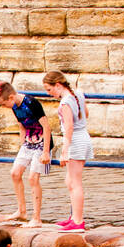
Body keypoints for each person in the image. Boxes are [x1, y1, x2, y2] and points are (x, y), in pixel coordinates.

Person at [0, 81, 53, 227]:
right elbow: (22, 126)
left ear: (11, 97)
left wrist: (45, 152)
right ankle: (21, 210)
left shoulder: (32, 103)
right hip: (28, 143)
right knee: (15, 173)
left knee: (33, 178)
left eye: (4, 103)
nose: (4, 107)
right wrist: (22, 146)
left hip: (42, 143)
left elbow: (47, 127)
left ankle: (36, 218)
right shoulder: (14, 107)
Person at [42, 71, 91, 231]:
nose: (49, 94)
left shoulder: (65, 103)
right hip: (83, 136)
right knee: (69, 181)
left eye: (49, 90)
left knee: (75, 182)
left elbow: (69, 127)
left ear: (58, 85)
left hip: (75, 140)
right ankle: (74, 217)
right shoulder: (78, 94)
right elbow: (86, 113)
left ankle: (78, 221)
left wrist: (65, 150)